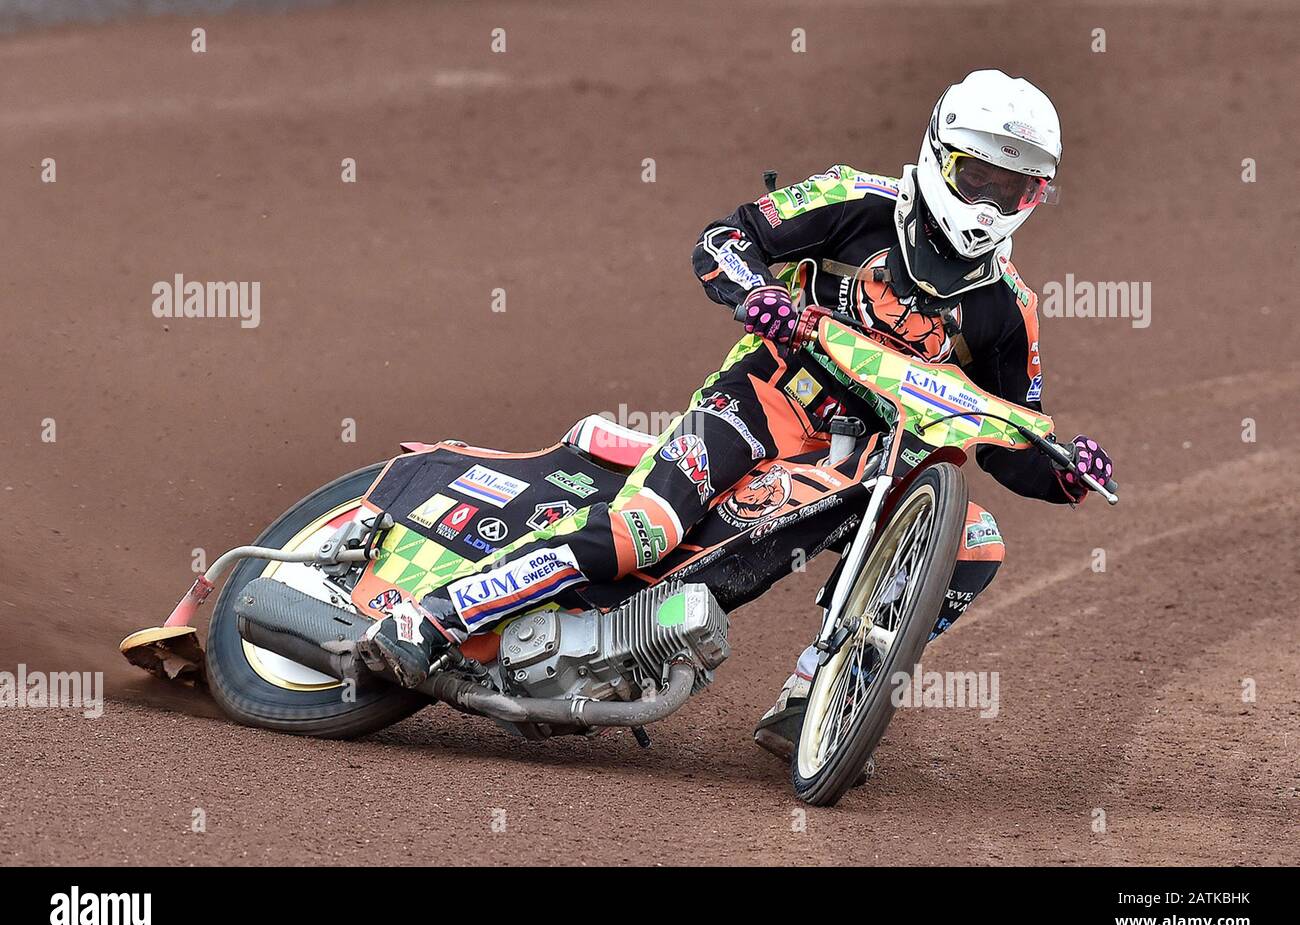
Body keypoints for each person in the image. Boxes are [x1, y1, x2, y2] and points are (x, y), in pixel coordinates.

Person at [356, 69, 1114, 760]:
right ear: (941, 157)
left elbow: (1012, 438)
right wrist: (756, 292)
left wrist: (1069, 474)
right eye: (977, 177)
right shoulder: (856, 200)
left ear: (1034, 197)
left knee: (975, 544)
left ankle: (820, 692)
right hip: (760, 398)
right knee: (641, 534)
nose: (989, 203)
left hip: (859, 465)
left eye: (1012, 189)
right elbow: (725, 238)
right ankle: (432, 617)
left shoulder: (1009, 309)